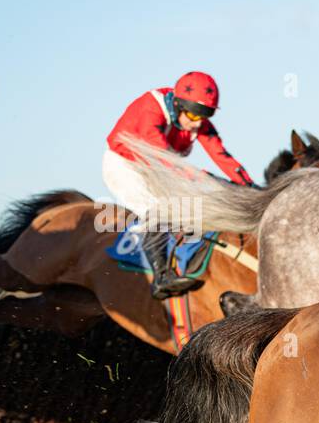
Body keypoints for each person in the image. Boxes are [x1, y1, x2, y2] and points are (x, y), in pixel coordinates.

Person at [103, 71, 254, 299]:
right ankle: (161, 278)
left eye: (205, 117)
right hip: (125, 166)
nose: (198, 124)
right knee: (156, 211)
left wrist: (250, 187)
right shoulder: (150, 109)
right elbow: (165, 158)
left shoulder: (193, 117)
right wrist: (201, 177)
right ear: (177, 105)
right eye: (194, 117)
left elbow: (221, 154)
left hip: (157, 167)